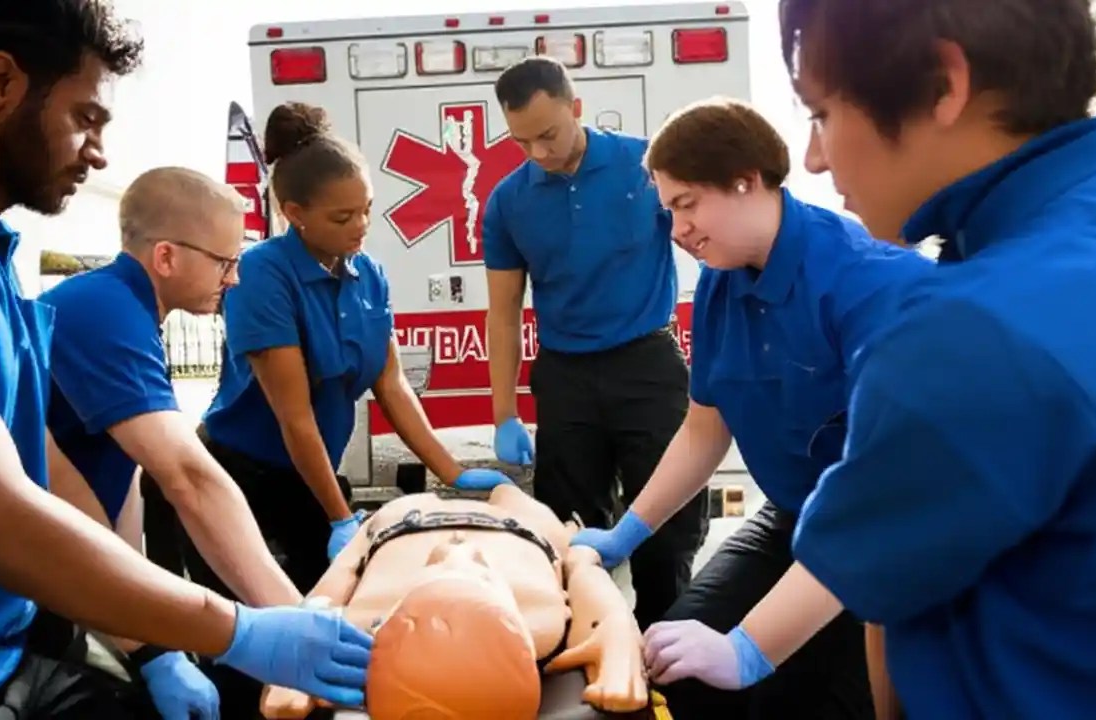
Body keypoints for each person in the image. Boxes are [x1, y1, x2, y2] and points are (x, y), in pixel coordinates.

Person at [0, 2, 371, 717]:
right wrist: (241, 629)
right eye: (87, 119)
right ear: (0, 81)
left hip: (7, 648)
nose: (98, 154)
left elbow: (55, 473)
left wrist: (150, 647)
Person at [777, 1, 1096, 718]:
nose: (815, 158)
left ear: (943, 83)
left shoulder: (961, 333)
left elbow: (868, 574)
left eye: (820, 114)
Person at [569, 97, 934, 719]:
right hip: (795, 516)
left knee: (826, 699)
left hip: (888, 534)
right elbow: (705, 428)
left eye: (686, 205)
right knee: (677, 666)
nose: (677, 230)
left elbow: (882, 498)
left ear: (745, 180)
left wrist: (748, 649)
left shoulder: (865, 283)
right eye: (669, 212)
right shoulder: (720, 283)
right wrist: (626, 534)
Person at [194, 100, 515, 718]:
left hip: (306, 473)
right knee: (248, 630)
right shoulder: (263, 274)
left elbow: (392, 386)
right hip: (242, 475)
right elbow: (294, 416)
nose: (362, 224)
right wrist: (342, 515)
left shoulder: (368, 274)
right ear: (295, 215)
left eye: (366, 208)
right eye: (343, 215)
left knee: (333, 615)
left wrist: (453, 473)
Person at [41, 167, 319, 719]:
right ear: (166, 257)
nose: (235, 279)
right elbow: (189, 478)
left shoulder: (128, 312)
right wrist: (297, 621)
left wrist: (145, 642)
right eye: (225, 262)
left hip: (58, 575)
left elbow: (121, 489)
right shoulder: (103, 312)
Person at [484, 56, 709, 630]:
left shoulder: (646, 165)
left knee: (667, 531)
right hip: (566, 377)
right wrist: (504, 412)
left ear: (576, 108)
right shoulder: (508, 202)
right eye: (521, 141)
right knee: (568, 533)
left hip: (649, 365)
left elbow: (710, 249)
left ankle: (665, 662)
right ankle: (586, 659)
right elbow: (505, 313)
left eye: (548, 134)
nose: (538, 152)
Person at [255, 484, 651, 720]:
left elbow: (339, 575)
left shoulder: (364, 619)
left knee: (421, 498)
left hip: (402, 523)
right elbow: (581, 568)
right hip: (525, 531)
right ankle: (504, 490)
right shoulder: (539, 622)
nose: (456, 550)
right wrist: (617, 632)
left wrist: (292, 668)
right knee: (509, 491)